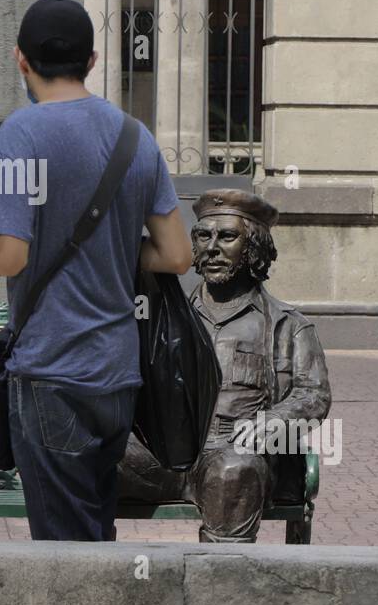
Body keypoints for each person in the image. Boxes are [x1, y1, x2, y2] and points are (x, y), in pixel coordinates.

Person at [0, 0, 193, 542]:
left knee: (65, 553)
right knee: (94, 531)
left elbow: (11, 254)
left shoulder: (20, 135)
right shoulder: (134, 137)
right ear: (92, 61)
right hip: (118, 375)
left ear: (20, 60)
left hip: (52, 373)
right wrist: (117, 250)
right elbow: (177, 255)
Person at [117, 190, 332, 543]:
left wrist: (273, 422)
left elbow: (314, 394)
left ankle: (217, 587)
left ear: (255, 247)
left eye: (227, 236)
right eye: (203, 236)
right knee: (91, 453)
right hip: (159, 455)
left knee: (236, 470)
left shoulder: (288, 325)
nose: (212, 247)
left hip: (233, 452)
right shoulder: (163, 314)